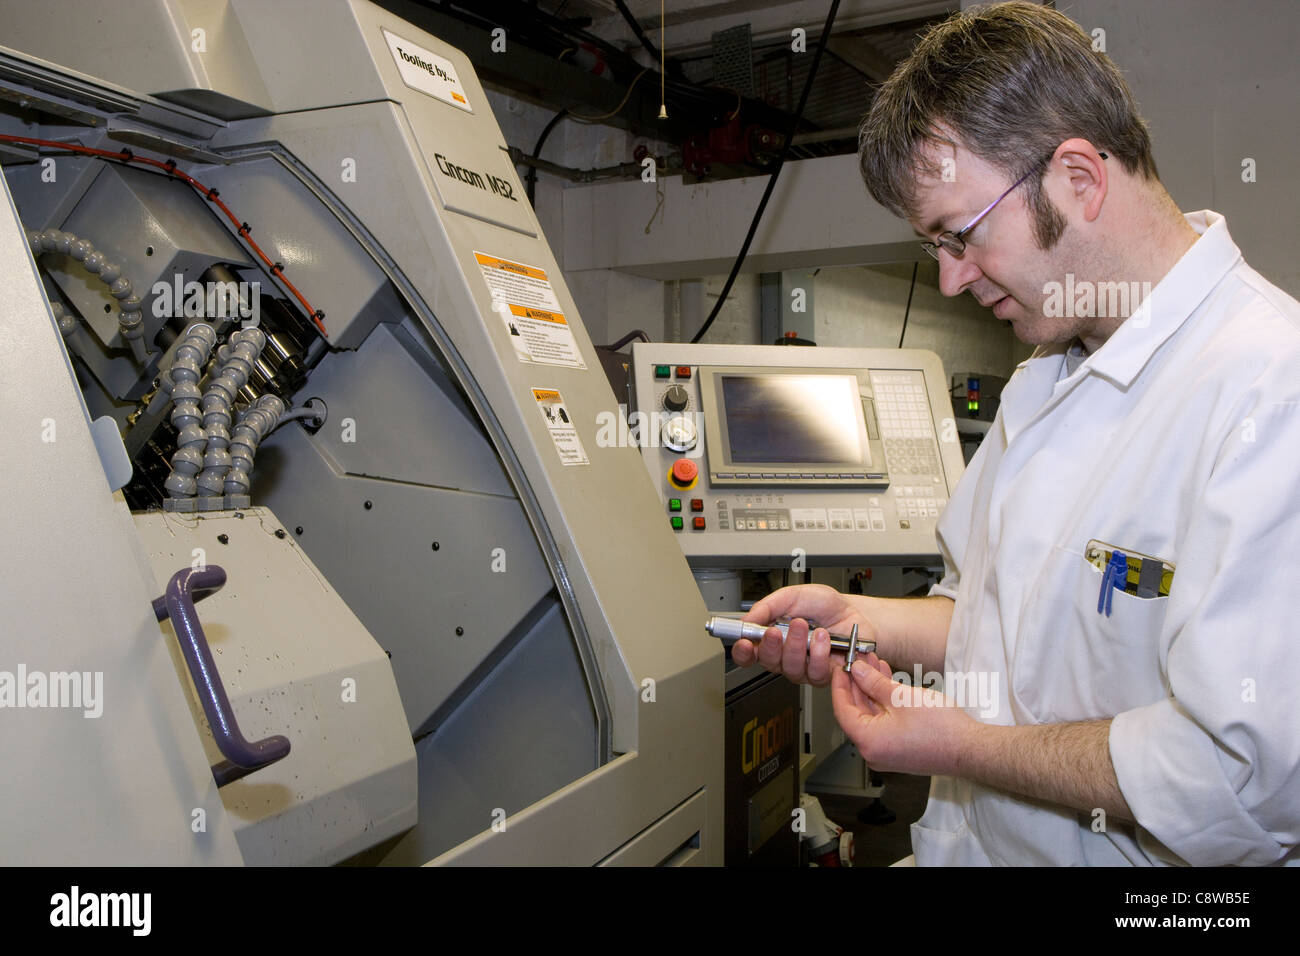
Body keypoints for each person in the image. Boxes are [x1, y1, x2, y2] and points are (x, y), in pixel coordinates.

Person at [732, 1, 1300, 865]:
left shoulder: (1268, 386)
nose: (953, 281)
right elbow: (984, 616)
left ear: (1078, 177)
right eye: (936, 249)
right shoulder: (1044, 381)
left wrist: (957, 746)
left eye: (961, 235)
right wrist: (858, 619)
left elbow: (1239, 775)